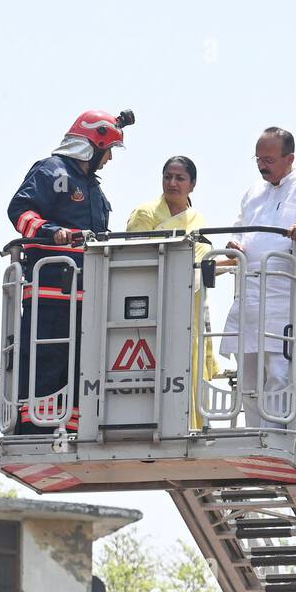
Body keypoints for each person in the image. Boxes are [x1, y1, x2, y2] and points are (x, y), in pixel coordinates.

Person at [6, 109, 132, 435]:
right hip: (49, 294)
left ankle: (70, 425)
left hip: (83, 295)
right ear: (94, 145)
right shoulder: (52, 172)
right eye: (109, 152)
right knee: (46, 359)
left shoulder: (94, 190)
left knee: (78, 364)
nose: (110, 160)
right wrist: (51, 230)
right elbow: (19, 210)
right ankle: (36, 428)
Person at [221, 127, 296, 427]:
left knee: (279, 373)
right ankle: (254, 439)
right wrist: (235, 243)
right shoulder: (252, 193)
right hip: (249, 296)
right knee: (248, 375)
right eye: (258, 159)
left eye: (270, 159)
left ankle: (275, 440)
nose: (263, 165)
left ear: (289, 158)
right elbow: (240, 228)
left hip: (285, 300)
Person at [127, 156, 220, 430]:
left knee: (189, 366)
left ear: (192, 184)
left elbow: (202, 264)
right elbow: (133, 261)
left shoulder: (199, 220)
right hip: (151, 305)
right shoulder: (145, 214)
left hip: (189, 307)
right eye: (168, 176)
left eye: (180, 178)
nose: (172, 183)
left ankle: (189, 427)